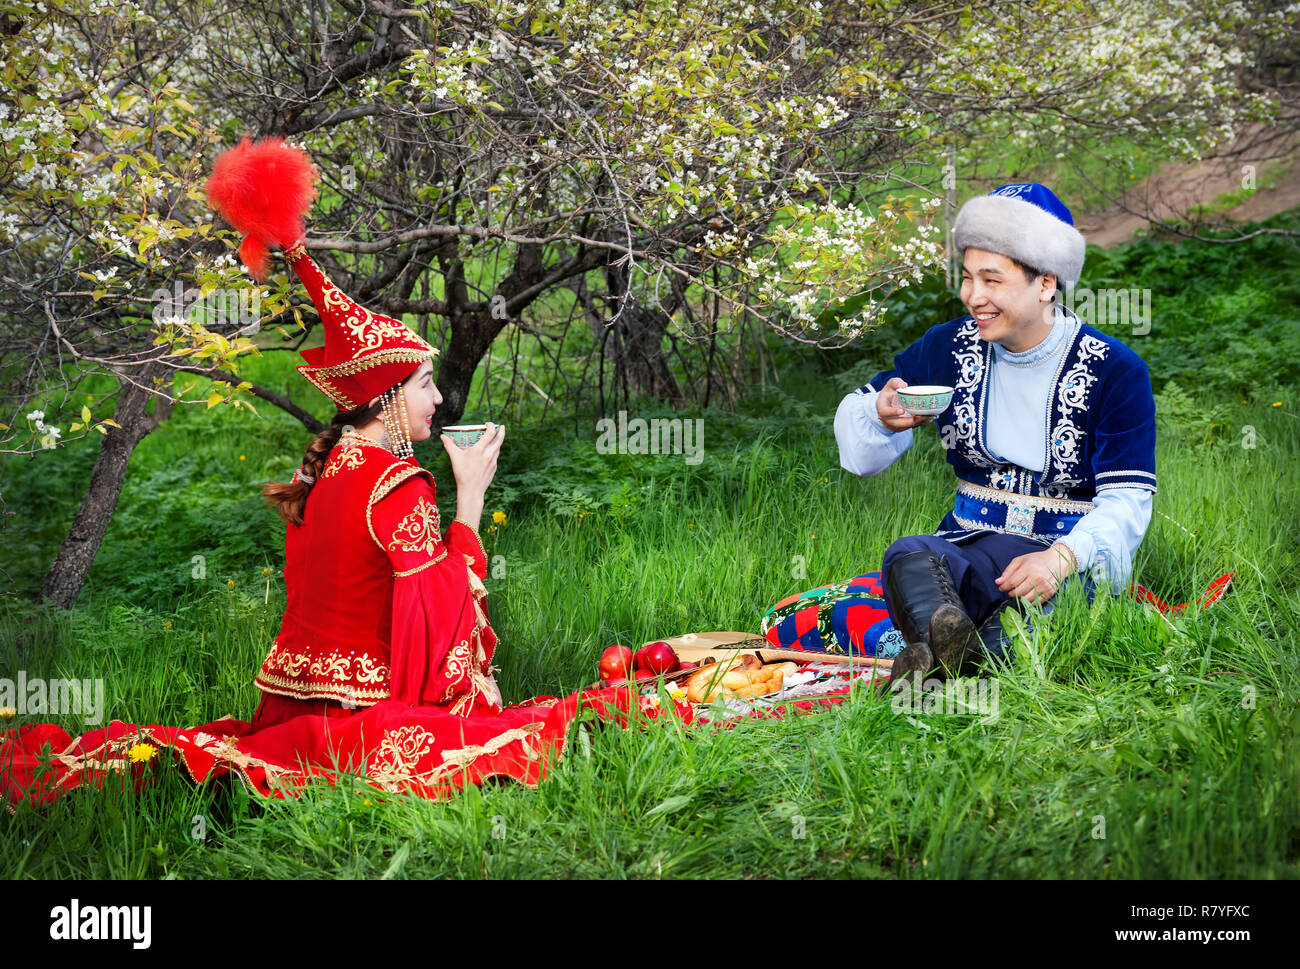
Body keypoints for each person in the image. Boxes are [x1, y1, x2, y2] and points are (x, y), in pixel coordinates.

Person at [834, 182, 1157, 687]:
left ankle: (938, 657)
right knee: (909, 555)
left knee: (1059, 613)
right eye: (966, 278)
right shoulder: (946, 347)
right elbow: (862, 448)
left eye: (992, 280)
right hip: (971, 549)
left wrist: (1062, 559)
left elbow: (1128, 502)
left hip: (1063, 554)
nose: (973, 297)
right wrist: (879, 411)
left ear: (1046, 283)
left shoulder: (1115, 370)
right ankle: (961, 650)